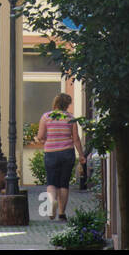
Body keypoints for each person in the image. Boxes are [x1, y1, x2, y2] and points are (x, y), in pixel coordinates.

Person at [37, 92, 83, 221]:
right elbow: (76, 139)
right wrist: (81, 155)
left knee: (51, 182)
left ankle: (52, 201)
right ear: (67, 104)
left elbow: (40, 136)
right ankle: (62, 213)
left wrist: (46, 138)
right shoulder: (71, 118)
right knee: (64, 184)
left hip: (51, 153)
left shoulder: (46, 117)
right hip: (67, 153)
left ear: (55, 103)